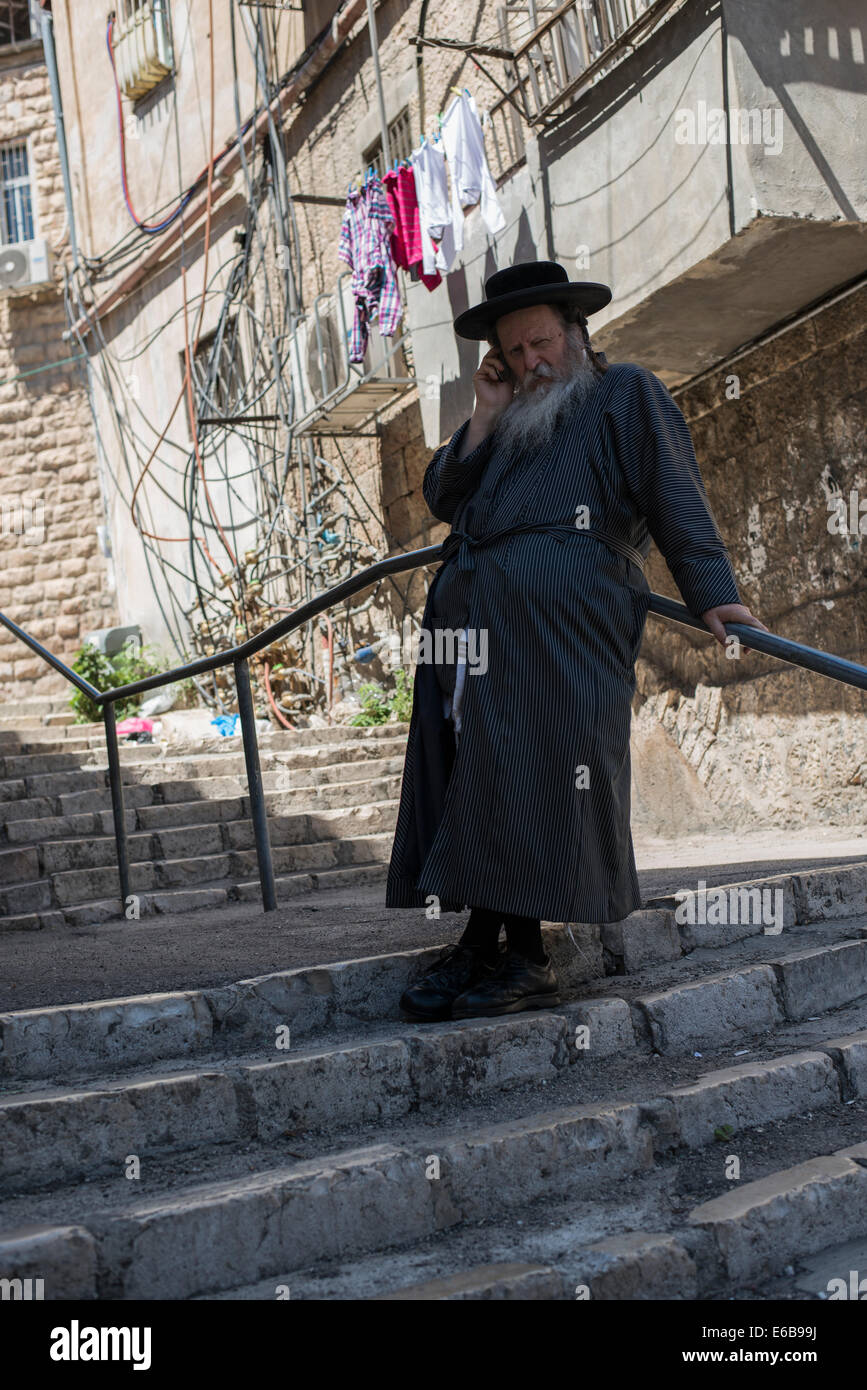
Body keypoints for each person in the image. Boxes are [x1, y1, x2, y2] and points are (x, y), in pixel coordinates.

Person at [385, 260, 766, 1021]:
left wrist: (715, 597)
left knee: (539, 767)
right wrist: (485, 412)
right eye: (513, 353)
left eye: (540, 344)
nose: (530, 363)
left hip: (562, 626)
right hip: (470, 626)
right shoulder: (510, 420)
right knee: (479, 770)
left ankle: (519, 957)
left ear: (576, 335)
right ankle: (487, 944)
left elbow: (674, 494)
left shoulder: (622, 393)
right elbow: (441, 496)